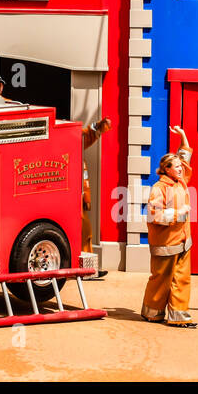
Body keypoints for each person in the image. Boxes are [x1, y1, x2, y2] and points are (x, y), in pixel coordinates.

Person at [142, 125, 196, 327]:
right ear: (166, 169)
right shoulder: (159, 188)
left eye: (181, 166)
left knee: (182, 279)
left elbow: (185, 154)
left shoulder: (180, 181)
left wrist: (182, 134)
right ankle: (152, 313)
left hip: (183, 242)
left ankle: (179, 316)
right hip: (165, 244)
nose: (181, 168)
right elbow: (153, 215)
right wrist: (178, 213)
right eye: (176, 166)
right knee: (161, 280)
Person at [81, 117, 112, 277]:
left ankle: (87, 270)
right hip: (68, 199)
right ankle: (85, 270)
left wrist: (86, 198)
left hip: (77, 198)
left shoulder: (75, 144)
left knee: (85, 232)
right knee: (83, 231)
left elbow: (87, 134)